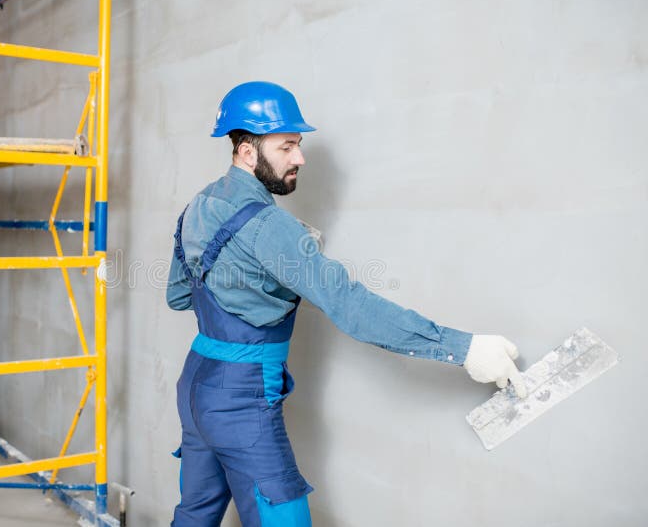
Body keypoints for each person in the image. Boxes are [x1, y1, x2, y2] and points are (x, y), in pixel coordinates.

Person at [166, 81, 526, 527]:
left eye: (298, 145)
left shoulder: (198, 206)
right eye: (286, 147)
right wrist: (465, 348)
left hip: (195, 387)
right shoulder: (272, 227)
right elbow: (351, 307)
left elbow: (179, 295)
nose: (299, 158)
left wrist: (257, 275)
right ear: (246, 152)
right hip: (241, 400)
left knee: (195, 515)